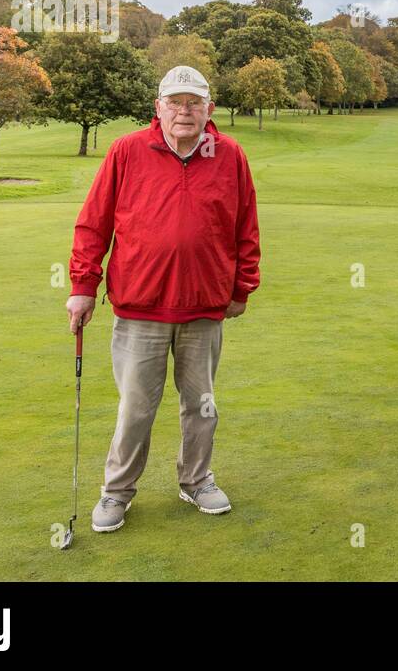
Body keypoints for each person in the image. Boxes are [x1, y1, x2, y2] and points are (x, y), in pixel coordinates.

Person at [66, 65, 261, 532]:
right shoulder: (127, 150)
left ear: (209, 109)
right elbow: (94, 223)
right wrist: (82, 287)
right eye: (175, 102)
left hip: (204, 308)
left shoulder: (230, 155)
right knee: (136, 408)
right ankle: (116, 492)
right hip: (140, 307)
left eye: (194, 102)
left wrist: (241, 287)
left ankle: (195, 480)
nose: (184, 111)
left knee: (202, 405)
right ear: (159, 108)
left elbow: (245, 229)